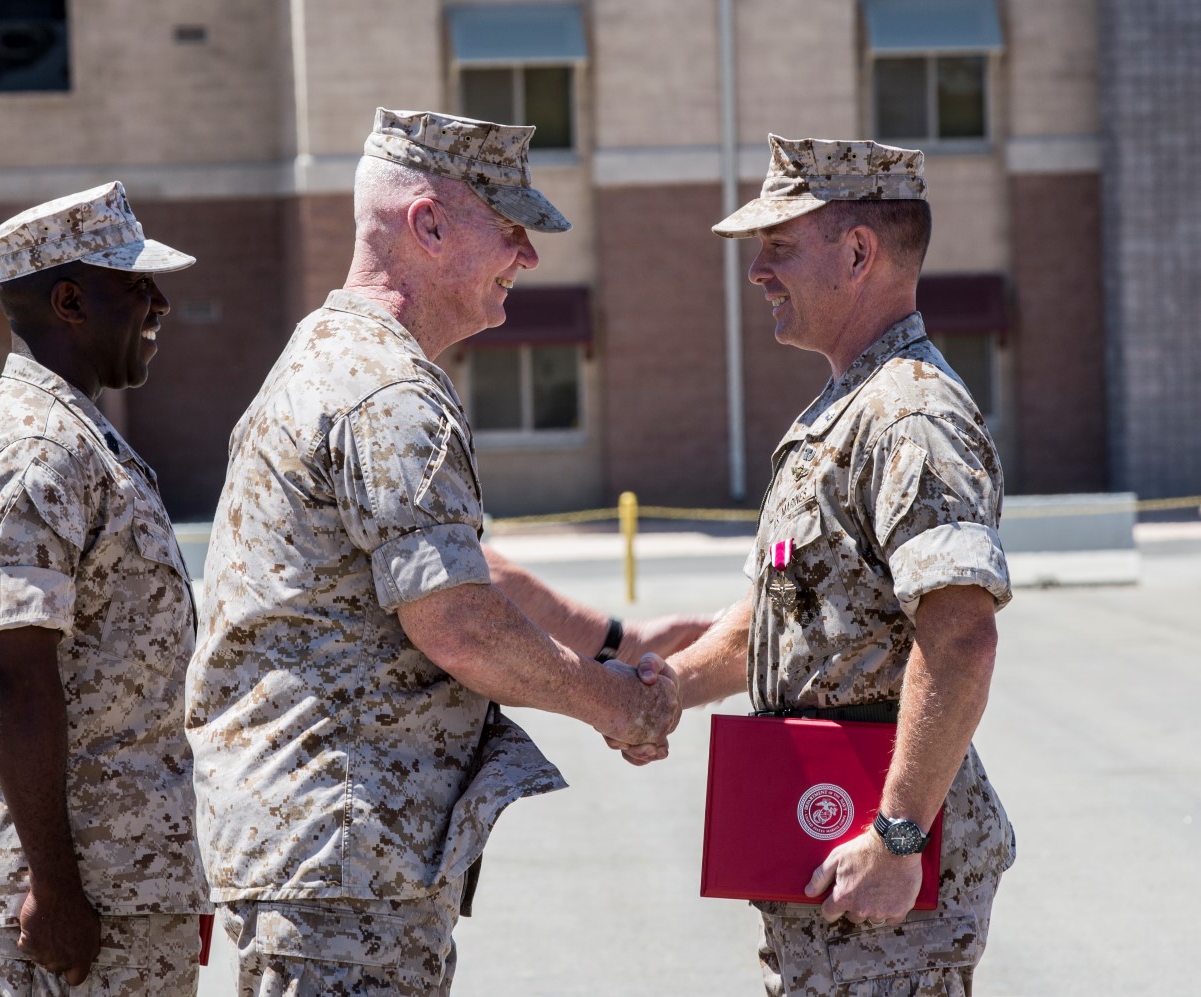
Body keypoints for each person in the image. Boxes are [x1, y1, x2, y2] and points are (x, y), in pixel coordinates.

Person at [185, 108, 692, 996]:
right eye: (510, 229)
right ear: (427, 224)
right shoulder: (390, 391)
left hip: (331, 861)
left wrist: (617, 639)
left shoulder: (326, 353)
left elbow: (455, 571)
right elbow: (456, 621)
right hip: (345, 868)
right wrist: (611, 703)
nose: (528, 257)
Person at [661, 135, 1016, 994]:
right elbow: (782, 613)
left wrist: (900, 834)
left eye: (779, 247)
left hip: (886, 874)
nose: (759, 273)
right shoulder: (846, 408)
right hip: (826, 845)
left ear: (859, 252)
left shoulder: (908, 416)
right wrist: (665, 687)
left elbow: (961, 632)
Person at [0, 181, 208, 995]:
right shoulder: (33, 447)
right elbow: (11, 674)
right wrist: (55, 886)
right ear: (71, 301)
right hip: (81, 897)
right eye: (136, 285)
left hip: (123, 875)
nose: (160, 302)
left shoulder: (75, 432)